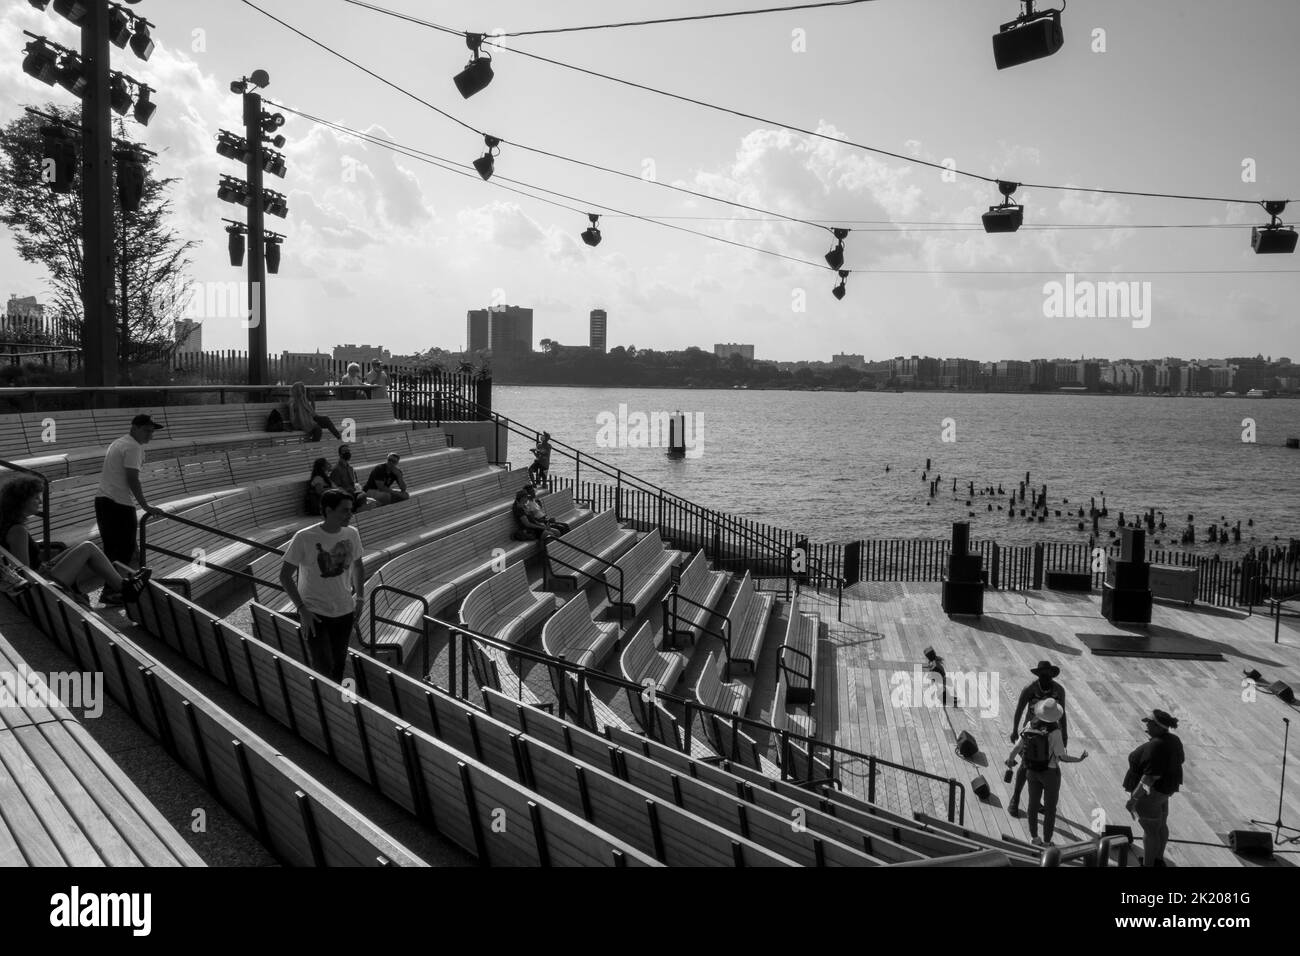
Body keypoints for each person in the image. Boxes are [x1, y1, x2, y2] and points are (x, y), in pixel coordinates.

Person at [2, 475, 151, 605]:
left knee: (76, 548)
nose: (40, 502)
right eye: (35, 497)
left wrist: (50, 564)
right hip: (41, 584)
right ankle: (124, 588)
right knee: (87, 548)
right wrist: (47, 568)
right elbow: (24, 572)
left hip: (42, 573)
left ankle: (121, 586)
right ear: (21, 501)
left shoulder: (7, 524)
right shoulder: (17, 531)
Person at [279, 488, 364, 683]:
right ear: (328, 510)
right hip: (315, 614)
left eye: (350, 509)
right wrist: (302, 610)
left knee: (338, 665)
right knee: (323, 668)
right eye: (345, 510)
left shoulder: (352, 533)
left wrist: (360, 598)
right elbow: (284, 576)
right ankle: (322, 709)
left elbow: (358, 565)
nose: (350, 514)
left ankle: (332, 709)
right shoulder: (304, 537)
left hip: (344, 611)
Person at [95, 414, 164, 602]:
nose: (150, 435)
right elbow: (132, 478)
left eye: (152, 431)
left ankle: (111, 589)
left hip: (103, 500)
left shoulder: (119, 442)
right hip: (119, 504)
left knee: (112, 549)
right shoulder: (133, 446)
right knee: (124, 549)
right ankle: (113, 590)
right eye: (147, 430)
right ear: (134, 428)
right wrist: (145, 506)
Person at [1005, 698, 1088, 847]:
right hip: (1050, 774)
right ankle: (1048, 842)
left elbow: (1017, 748)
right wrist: (1078, 759)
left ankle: (1034, 838)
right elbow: (1062, 757)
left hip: (1031, 771)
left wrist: (1010, 761)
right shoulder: (1055, 732)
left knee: (1032, 805)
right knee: (1050, 809)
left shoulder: (1029, 725)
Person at [1123, 709, 1185, 867]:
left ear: (1158, 726)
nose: (1146, 725)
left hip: (1149, 796)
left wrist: (1134, 799)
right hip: (1164, 793)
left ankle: (1149, 864)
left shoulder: (1156, 746)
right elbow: (1180, 761)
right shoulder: (1174, 740)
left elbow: (1149, 778)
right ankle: (1158, 859)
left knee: (1150, 831)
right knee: (1161, 826)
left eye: (1149, 722)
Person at [1007, 660, 1069, 817]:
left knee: (1045, 766)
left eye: (1048, 675)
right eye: (1043, 675)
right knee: (1025, 765)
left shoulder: (1059, 690)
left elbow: (1063, 712)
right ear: (1038, 675)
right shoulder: (1030, 689)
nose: (1046, 678)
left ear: (1052, 675)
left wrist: (1064, 734)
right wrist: (1015, 730)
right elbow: (1019, 709)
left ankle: (1035, 800)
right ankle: (1015, 798)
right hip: (1032, 730)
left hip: (1051, 732)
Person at [328, 444, 369, 512]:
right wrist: (347, 493)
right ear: (340, 454)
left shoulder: (350, 468)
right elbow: (336, 488)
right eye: (345, 451)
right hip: (344, 496)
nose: (348, 453)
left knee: (368, 499)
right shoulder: (336, 469)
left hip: (352, 493)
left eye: (348, 451)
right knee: (362, 498)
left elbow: (354, 484)